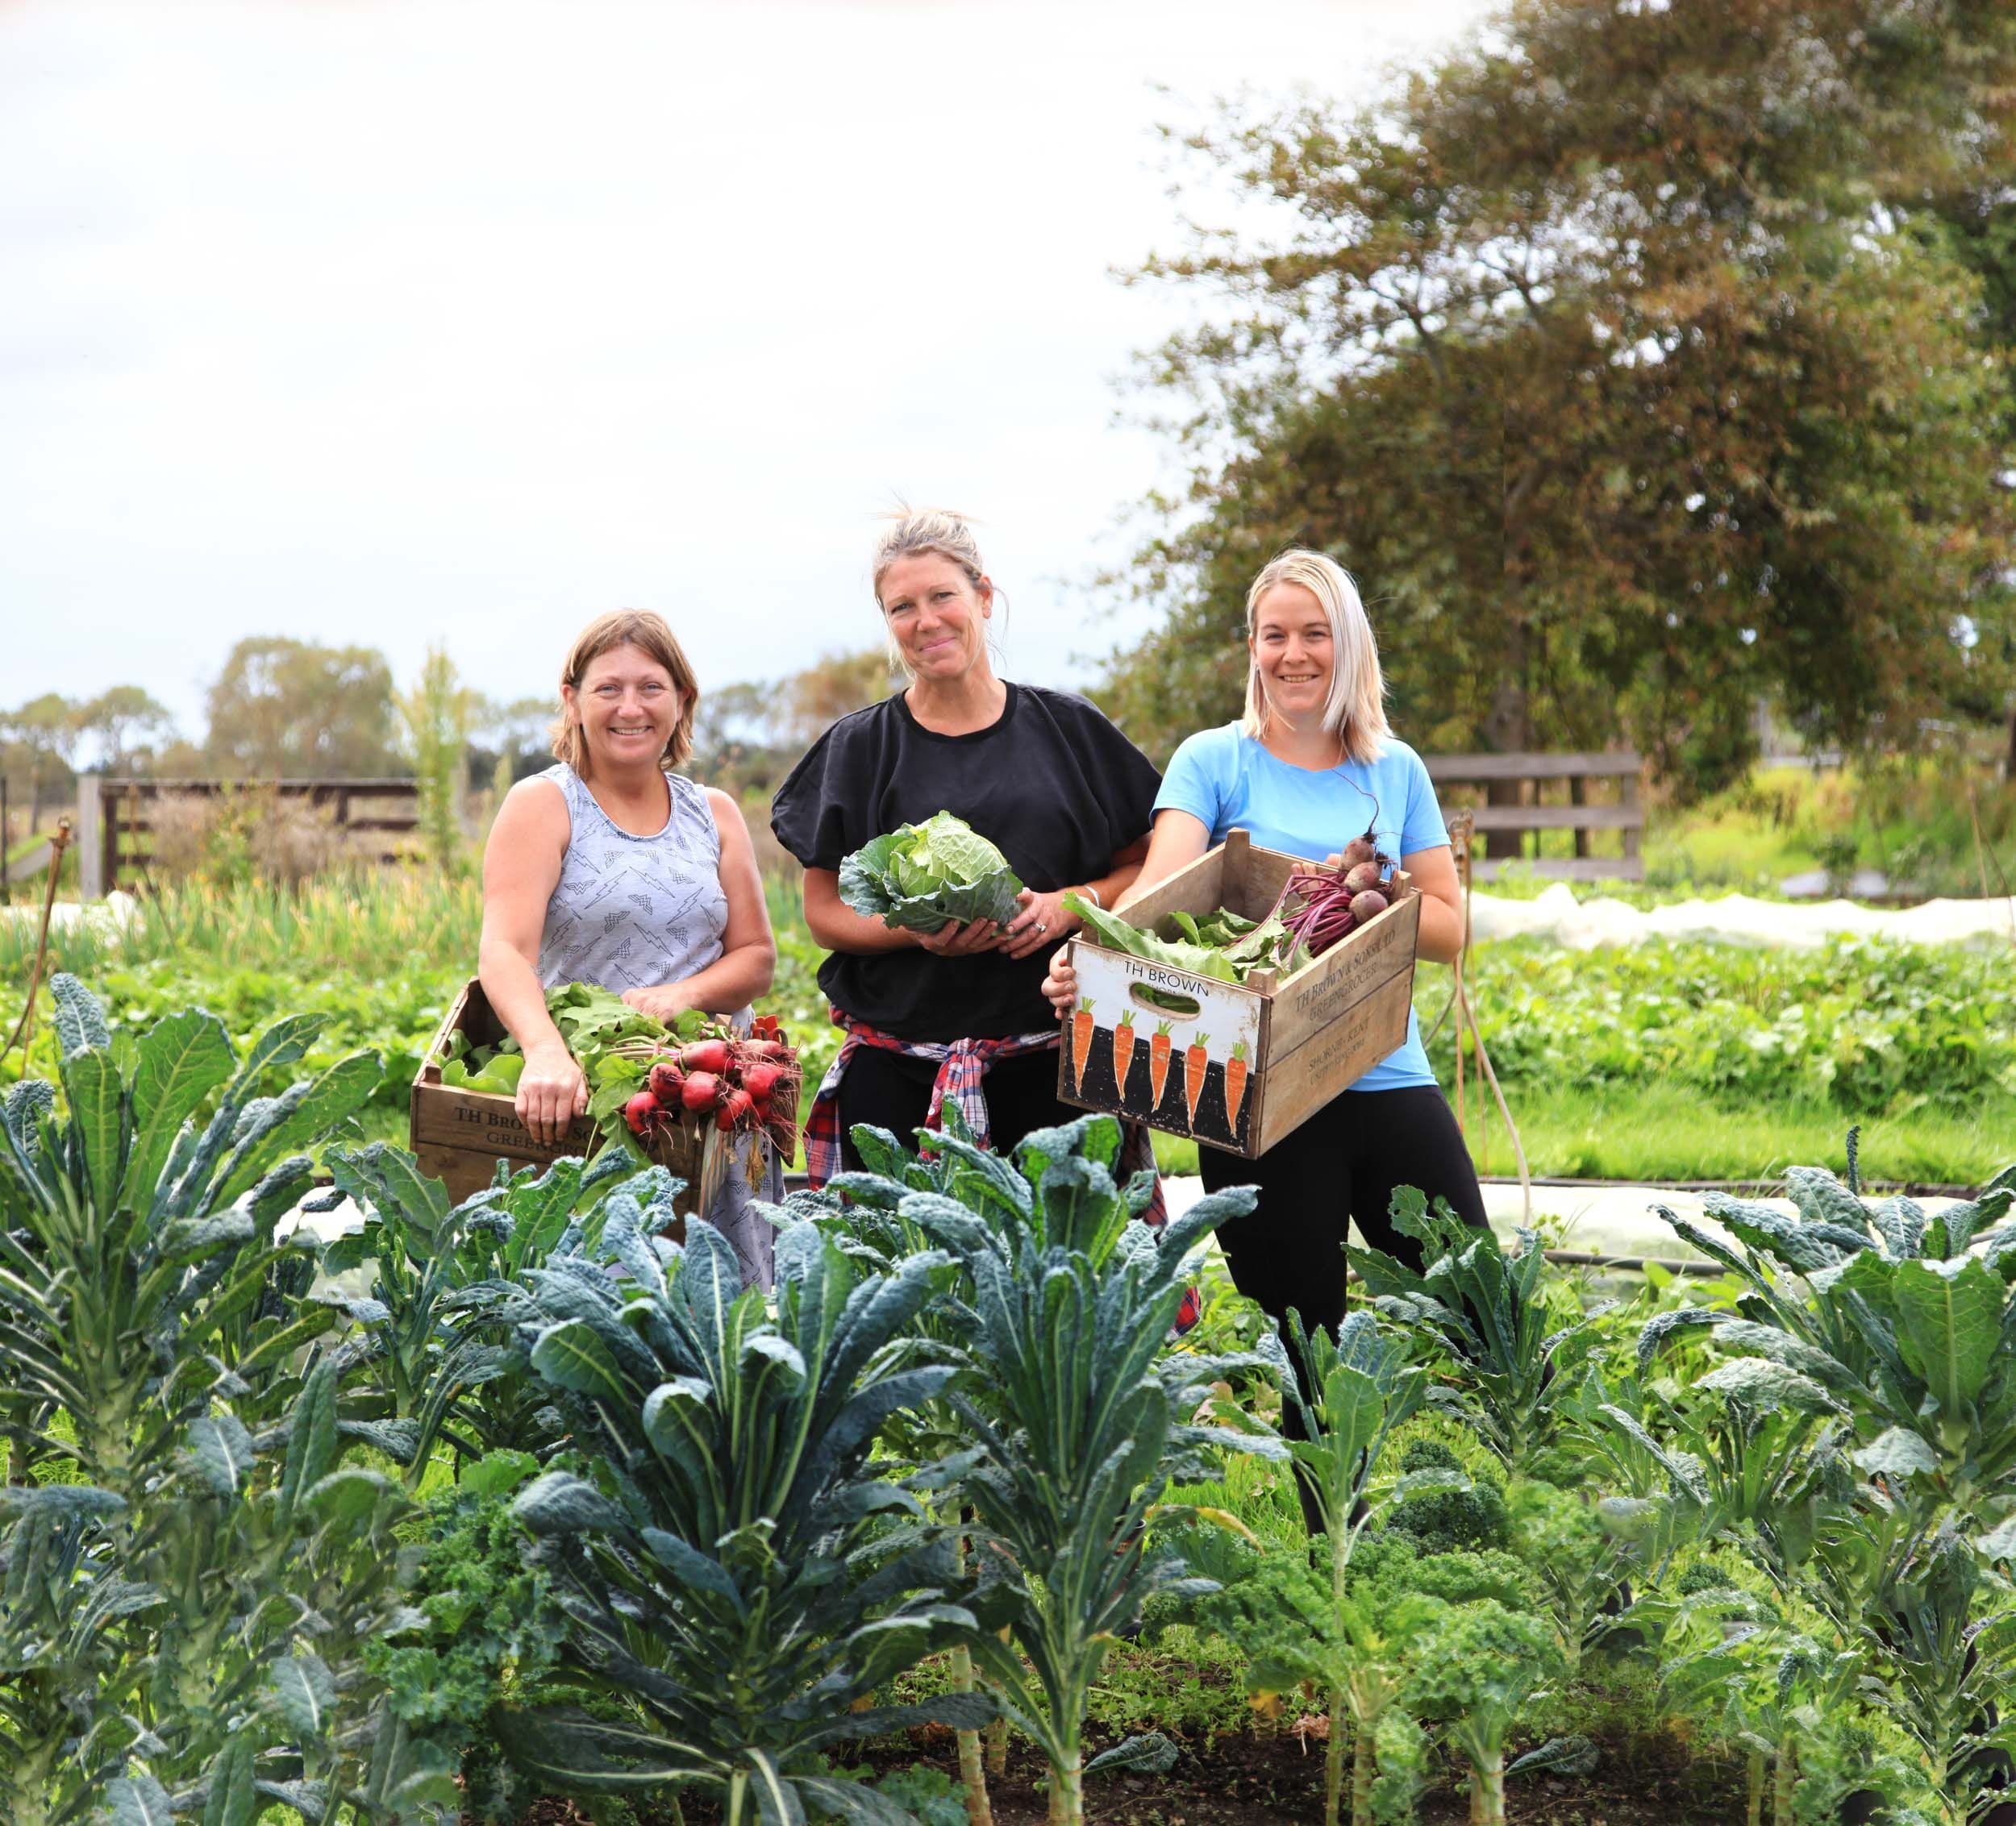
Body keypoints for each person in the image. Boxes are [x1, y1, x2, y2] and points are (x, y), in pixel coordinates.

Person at [1042, 547, 1489, 1350]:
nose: (1292, 654)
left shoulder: (1394, 770)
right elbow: (1156, 898)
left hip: (1386, 1069)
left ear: (1347, 644)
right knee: (1304, 1346)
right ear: (1252, 647)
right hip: (1258, 1093)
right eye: (1272, 634)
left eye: (1314, 633)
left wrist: (1375, 903)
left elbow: (1451, 929)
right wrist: (1092, 964)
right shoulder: (1213, 761)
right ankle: (1327, 1480)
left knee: (1480, 1306)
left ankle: (1510, 1464)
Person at [771, 507, 1163, 1178]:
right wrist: (914, 932)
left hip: (1059, 1068)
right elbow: (824, 913)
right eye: (902, 606)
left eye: (943, 596)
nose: (926, 620)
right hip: (898, 1072)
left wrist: (1073, 904)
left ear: (984, 596)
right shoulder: (860, 748)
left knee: (1063, 1278)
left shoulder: (1068, 730)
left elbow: (1149, 866)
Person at [478, 609, 781, 1286]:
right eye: (608, 688)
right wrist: (545, 1052)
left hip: (712, 1104)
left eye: (651, 687)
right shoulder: (544, 804)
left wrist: (685, 994)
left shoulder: (714, 811)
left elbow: (756, 955)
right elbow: (503, 949)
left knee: (725, 1317)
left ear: (681, 701)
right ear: (572, 700)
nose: (630, 707)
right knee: (599, 1307)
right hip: (594, 1101)